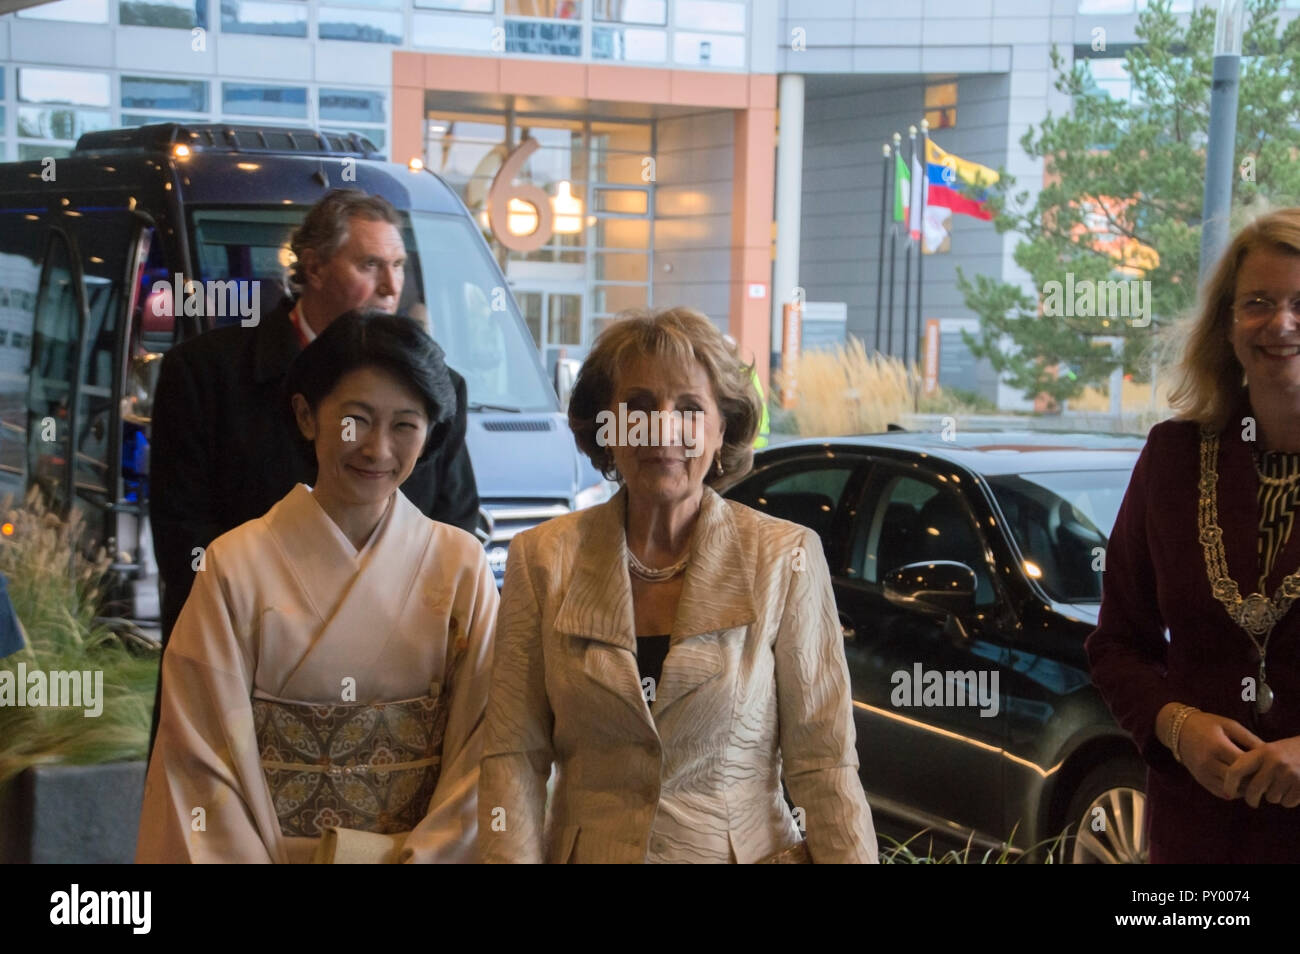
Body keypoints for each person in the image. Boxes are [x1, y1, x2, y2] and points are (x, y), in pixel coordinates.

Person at [478, 306, 876, 863]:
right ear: (606, 427)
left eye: (689, 409)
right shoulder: (542, 558)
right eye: (637, 407)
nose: (663, 429)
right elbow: (512, 755)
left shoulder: (785, 558)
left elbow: (824, 762)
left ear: (722, 430)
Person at [137, 312, 497, 864]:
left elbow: (486, 747)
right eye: (356, 420)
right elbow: (200, 758)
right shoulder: (234, 566)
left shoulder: (460, 566)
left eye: (405, 425)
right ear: (307, 415)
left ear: (430, 436)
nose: (377, 449)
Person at [149, 189, 480, 646]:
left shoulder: (443, 387)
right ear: (314, 267)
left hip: (395, 659)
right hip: (238, 653)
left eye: (398, 265)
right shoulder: (205, 373)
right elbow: (183, 535)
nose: (391, 286)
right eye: (370, 265)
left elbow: (454, 523)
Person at [1087, 208, 1300, 863]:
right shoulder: (1174, 457)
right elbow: (1117, 644)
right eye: (1257, 302)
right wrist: (1177, 726)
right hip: (1198, 837)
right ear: (1228, 325)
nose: (1281, 324)